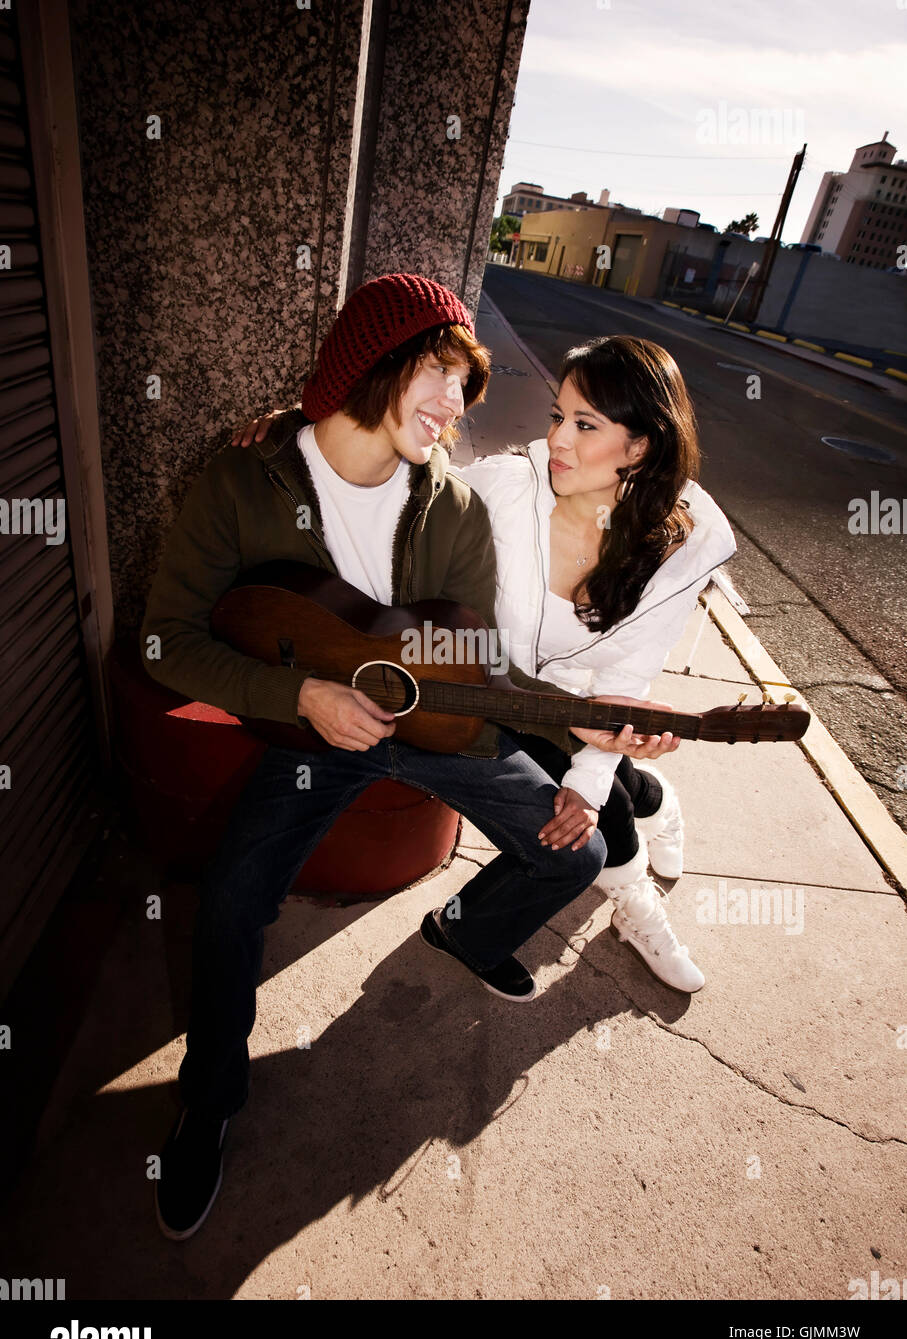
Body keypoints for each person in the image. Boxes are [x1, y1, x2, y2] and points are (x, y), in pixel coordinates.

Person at [141, 274, 654, 1242]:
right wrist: (298, 694)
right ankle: (207, 1102)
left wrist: (575, 722)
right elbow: (166, 640)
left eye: (467, 386)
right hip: (309, 740)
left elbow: (475, 659)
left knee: (575, 852)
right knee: (231, 904)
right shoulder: (244, 483)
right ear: (369, 364)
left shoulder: (452, 505)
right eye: (437, 374)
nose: (456, 407)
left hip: (434, 730)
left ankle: (462, 926)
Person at [237, 334, 736, 996]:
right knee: (600, 802)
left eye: (585, 425)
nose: (557, 438)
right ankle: (645, 820)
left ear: (640, 446)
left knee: (594, 800)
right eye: (558, 416)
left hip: (554, 707)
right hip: (475, 689)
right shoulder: (506, 488)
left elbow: (627, 676)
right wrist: (303, 430)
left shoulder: (679, 551)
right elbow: (391, 478)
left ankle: (632, 876)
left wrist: (587, 785)